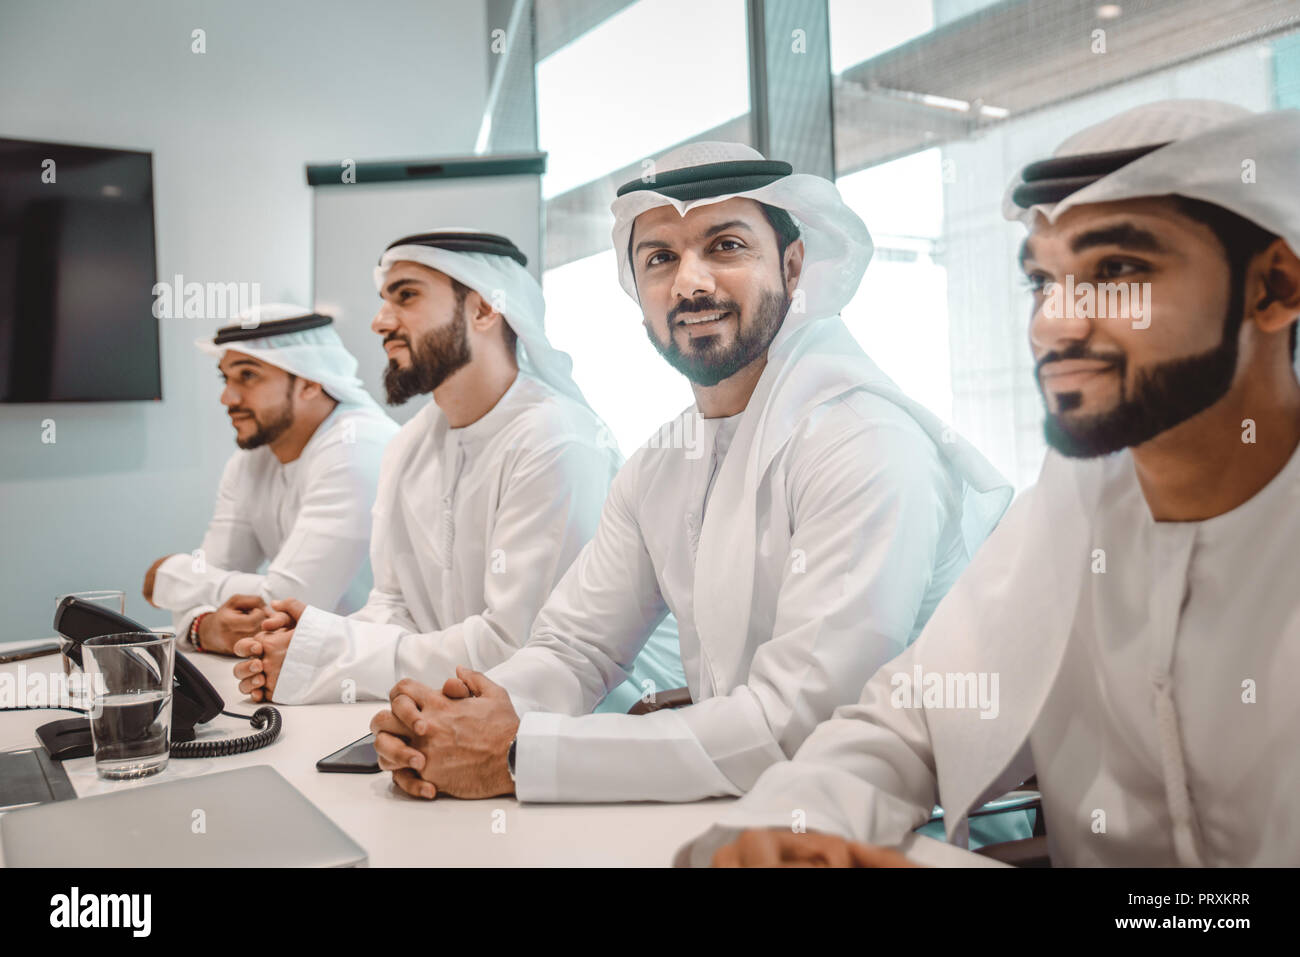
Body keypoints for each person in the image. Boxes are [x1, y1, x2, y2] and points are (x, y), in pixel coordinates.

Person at [683, 100, 1300, 867]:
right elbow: (906, 724)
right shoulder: (1076, 505)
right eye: (1043, 279)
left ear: (1273, 289)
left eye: (1117, 271)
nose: (1055, 325)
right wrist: (792, 834)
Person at [368, 143, 1012, 806]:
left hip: (895, 838)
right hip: (731, 809)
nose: (689, 283)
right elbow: (574, 647)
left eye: (726, 245)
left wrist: (514, 754)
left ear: (793, 266)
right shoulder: (662, 463)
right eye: (660, 259)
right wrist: (459, 719)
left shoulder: (863, 442)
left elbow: (802, 724)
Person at [233, 230, 683, 712]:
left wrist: (327, 655)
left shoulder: (556, 439)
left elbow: (520, 645)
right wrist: (307, 643)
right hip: (462, 710)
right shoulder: (408, 446)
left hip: (604, 727)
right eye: (384, 300)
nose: (380, 322)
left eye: (406, 296)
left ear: (486, 309)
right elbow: (394, 604)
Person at [143, 305, 396, 655]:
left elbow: (291, 602)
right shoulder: (251, 460)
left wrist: (172, 576)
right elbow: (216, 573)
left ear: (309, 381)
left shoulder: (357, 444)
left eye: (247, 376)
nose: (227, 398)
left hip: (388, 674)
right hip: (298, 668)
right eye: (225, 378)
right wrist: (205, 628)